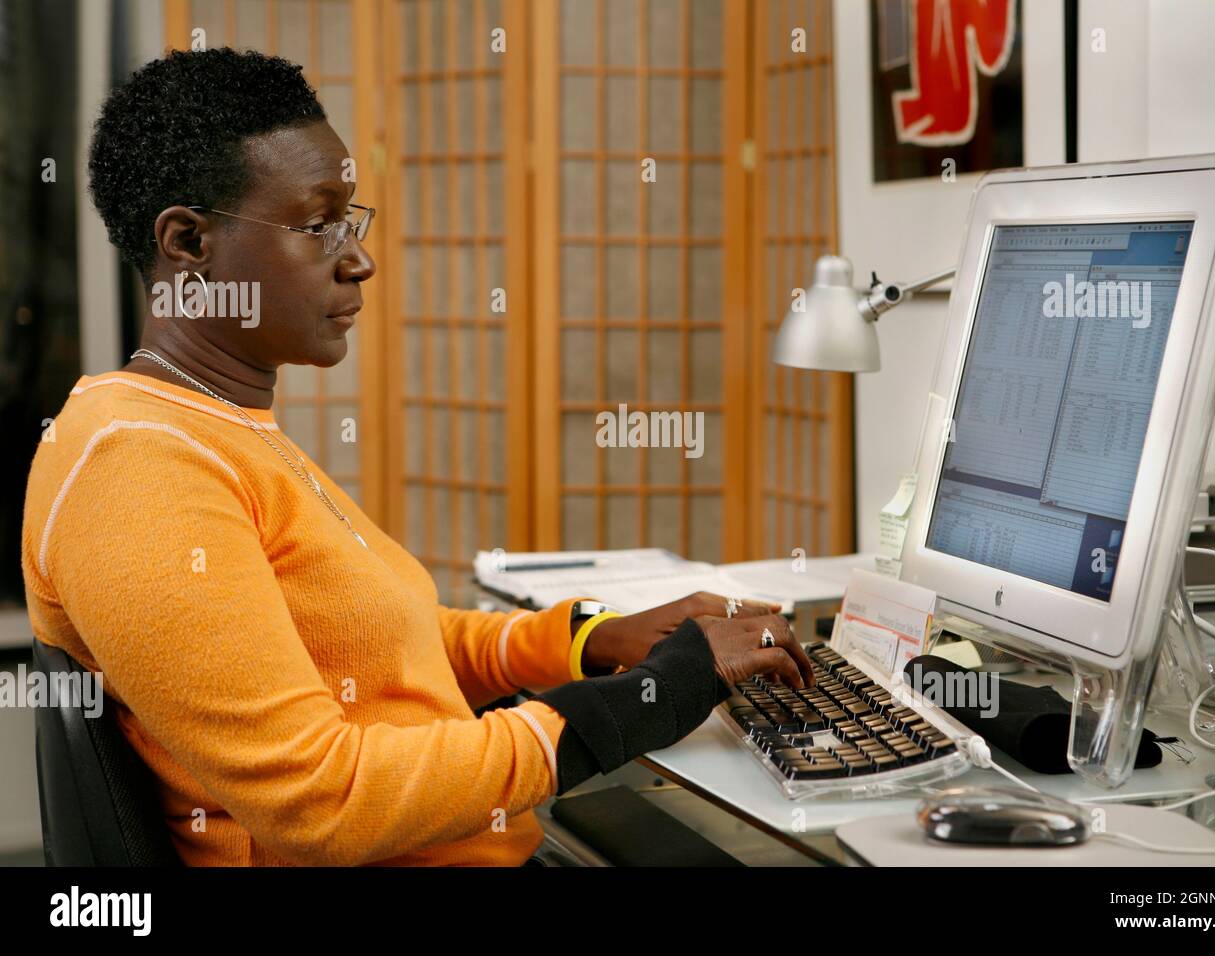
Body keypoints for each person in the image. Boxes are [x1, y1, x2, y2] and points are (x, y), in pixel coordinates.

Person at [20, 48, 812, 866]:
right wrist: (650, 696)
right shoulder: (141, 468)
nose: (358, 258)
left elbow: (384, 647)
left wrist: (590, 641)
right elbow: (321, 803)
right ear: (190, 243)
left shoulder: (214, 425)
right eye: (316, 223)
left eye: (349, 219)